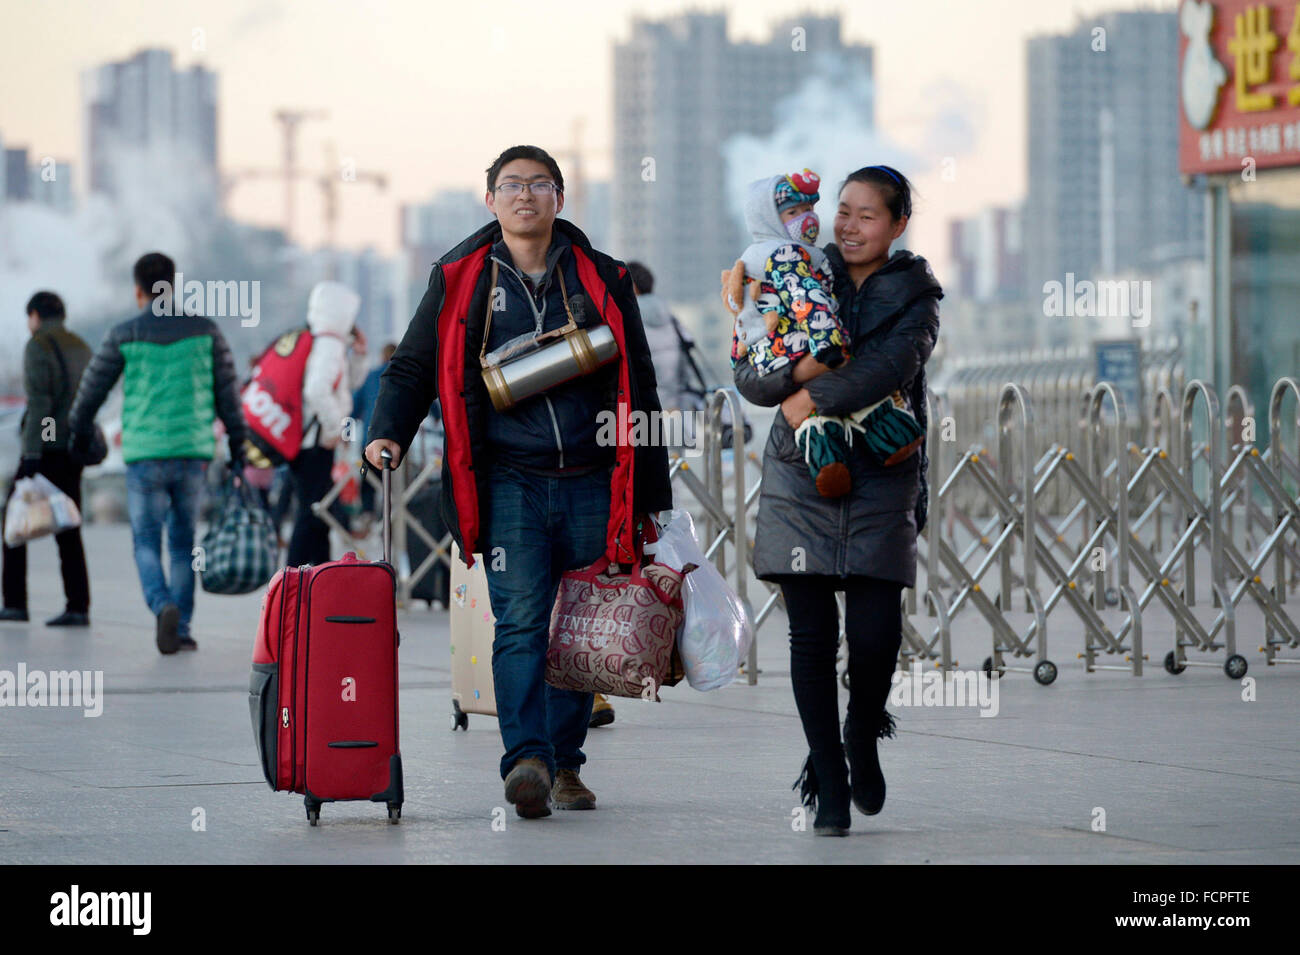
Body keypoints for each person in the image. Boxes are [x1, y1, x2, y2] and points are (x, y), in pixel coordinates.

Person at [365, 145, 671, 819]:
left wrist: (654, 491)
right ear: (491, 201)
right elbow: (414, 366)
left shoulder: (601, 275)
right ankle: (526, 759)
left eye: (538, 184)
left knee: (581, 629)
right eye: (511, 185)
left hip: (594, 476)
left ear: (560, 198)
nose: (524, 195)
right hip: (507, 480)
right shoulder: (461, 279)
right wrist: (387, 430)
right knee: (522, 622)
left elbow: (639, 381)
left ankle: (566, 764)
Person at [731, 165, 941, 835]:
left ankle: (860, 734)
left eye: (867, 215)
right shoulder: (788, 271)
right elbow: (749, 373)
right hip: (802, 474)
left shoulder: (915, 293)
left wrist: (808, 396)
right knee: (811, 636)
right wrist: (796, 377)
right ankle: (828, 777)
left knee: (876, 636)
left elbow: (892, 368)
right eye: (842, 210)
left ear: (898, 224)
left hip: (882, 469)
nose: (848, 225)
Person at [69, 252, 247, 654]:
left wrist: (78, 432)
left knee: (146, 540)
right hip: (193, 454)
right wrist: (239, 445)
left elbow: (91, 392)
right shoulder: (207, 332)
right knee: (183, 543)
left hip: (144, 454)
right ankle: (181, 626)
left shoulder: (124, 333)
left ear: (138, 291)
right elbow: (229, 398)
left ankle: (161, 603)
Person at [725, 169, 855, 498]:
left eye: (809, 209)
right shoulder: (786, 254)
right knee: (821, 413)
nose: (806, 219)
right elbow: (806, 299)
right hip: (798, 347)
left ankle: (833, 462)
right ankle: (840, 459)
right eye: (793, 213)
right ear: (769, 218)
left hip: (769, 358)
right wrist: (828, 343)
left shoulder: (752, 256)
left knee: (815, 411)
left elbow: (742, 319)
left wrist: (738, 357)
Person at [0, 292, 93, 626]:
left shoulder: (38, 344)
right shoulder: (81, 346)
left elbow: (42, 403)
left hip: (50, 448)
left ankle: (14, 602)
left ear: (36, 315)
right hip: (75, 448)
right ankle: (78, 606)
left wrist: (34, 452)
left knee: (13, 519)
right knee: (68, 524)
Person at [286, 281, 368, 567]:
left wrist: (358, 355)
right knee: (312, 512)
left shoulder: (322, 340)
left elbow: (346, 387)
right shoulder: (328, 345)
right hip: (315, 442)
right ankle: (293, 578)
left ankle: (319, 575)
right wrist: (336, 428)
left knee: (319, 514)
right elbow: (316, 390)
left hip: (309, 441)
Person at [350, 341, 396, 522]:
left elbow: (353, 408)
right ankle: (392, 518)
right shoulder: (405, 375)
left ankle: (368, 516)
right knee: (393, 485)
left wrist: (345, 435)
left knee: (368, 481)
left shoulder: (370, 377)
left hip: (370, 440)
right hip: (396, 441)